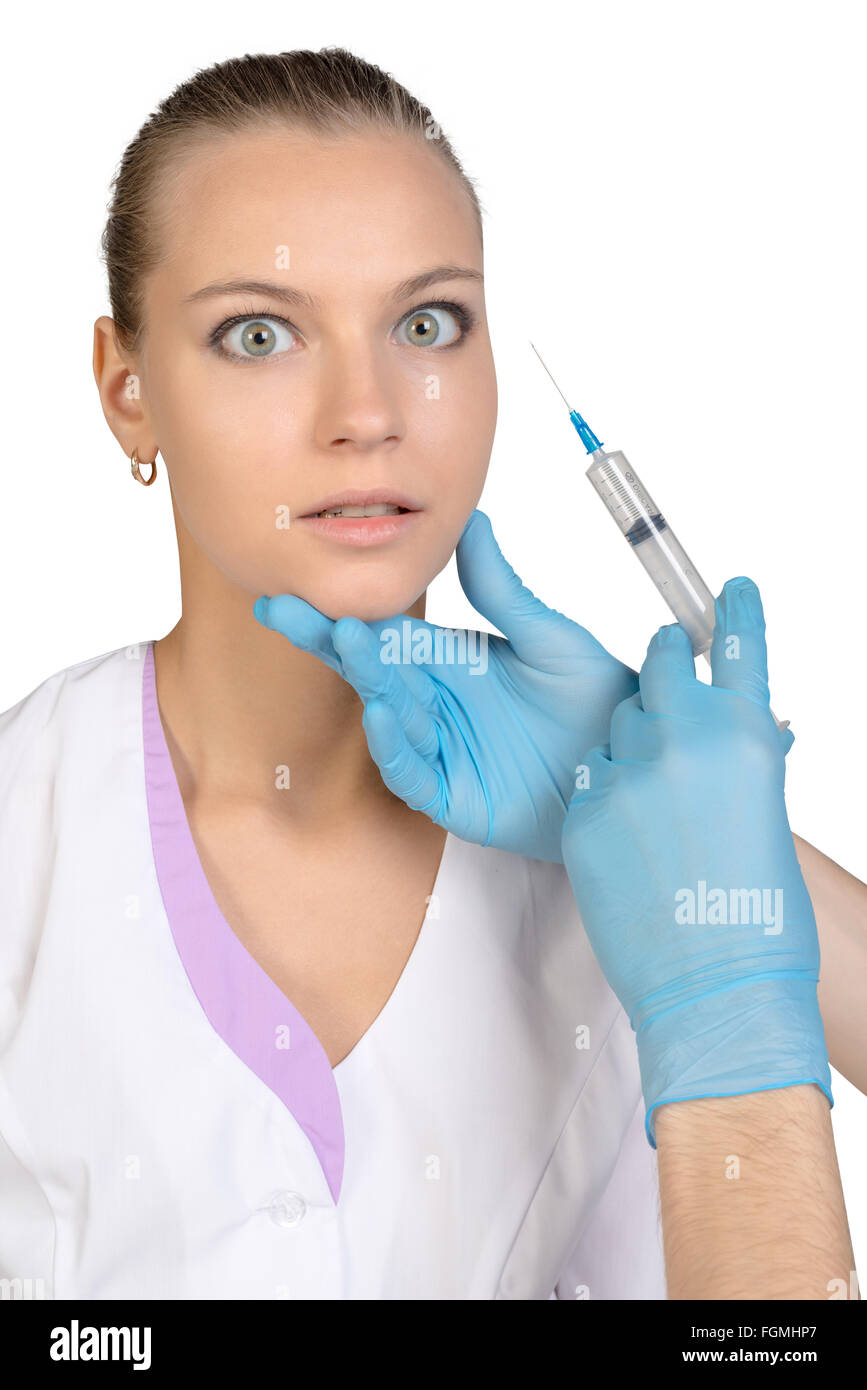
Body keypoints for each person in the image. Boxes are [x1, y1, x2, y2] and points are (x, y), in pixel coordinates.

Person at [0, 46, 861, 1302]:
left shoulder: (641, 833)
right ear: (126, 391)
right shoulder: (28, 831)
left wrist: (741, 872)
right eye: (259, 332)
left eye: (425, 322)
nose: (369, 410)